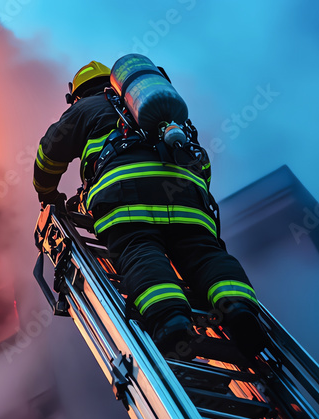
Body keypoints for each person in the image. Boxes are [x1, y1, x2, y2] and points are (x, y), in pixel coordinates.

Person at [33, 60, 267, 359]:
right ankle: (237, 309)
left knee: (139, 248)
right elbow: (200, 160)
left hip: (127, 193)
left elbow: (49, 153)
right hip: (188, 195)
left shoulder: (86, 108)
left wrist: (48, 193)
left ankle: (171, 320)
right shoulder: (161, 111)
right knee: (205, 254)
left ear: (76, 94)